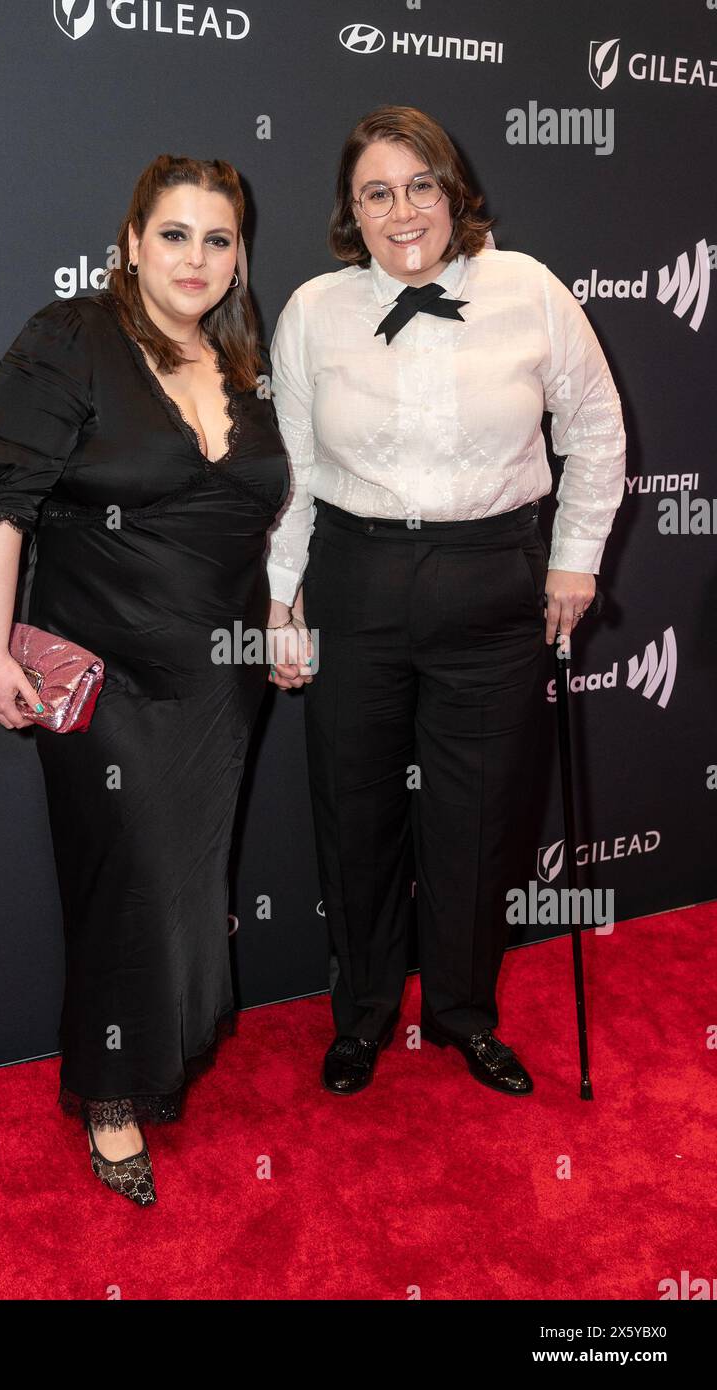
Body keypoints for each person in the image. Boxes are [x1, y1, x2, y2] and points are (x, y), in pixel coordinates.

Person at [265, 105, 626, 1099]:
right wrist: (278, 598)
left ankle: (464, 1011)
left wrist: (574, 558)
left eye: (418, 184)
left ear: (453, 190)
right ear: (351, 209)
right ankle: (366, 1014)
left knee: (477, 818)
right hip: (355, 576)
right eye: (375, 192)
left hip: (492, 583)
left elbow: (594, 427)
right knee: (355, 811)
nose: (400, 210)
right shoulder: (312, 311)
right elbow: (290, 469)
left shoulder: (530, 290)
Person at [0, 156, 289, 1204]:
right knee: (125, 884)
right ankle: (107, 1096)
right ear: (133, 240)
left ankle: (166, 1053)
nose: (196, 258)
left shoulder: (243, 361)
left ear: (239, 258)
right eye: (176, 234)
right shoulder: (71, 340)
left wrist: (280, 608)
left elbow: (265, 513)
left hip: (221, 677)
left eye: (218, 239)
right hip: (105, 677)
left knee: (189, 880)